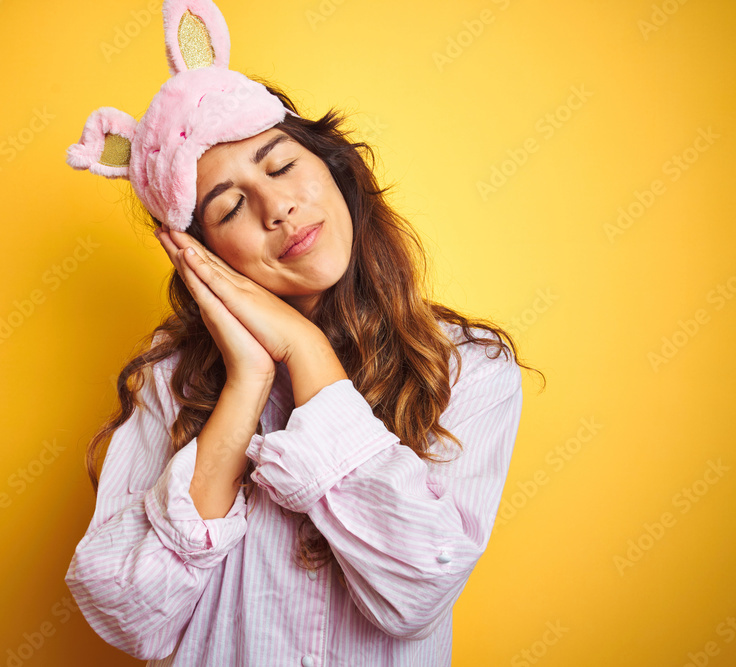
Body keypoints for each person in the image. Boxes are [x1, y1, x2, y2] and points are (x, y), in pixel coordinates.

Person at [63, 1, 543, 664]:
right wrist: (250, 380)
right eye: (229, 206)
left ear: (335, 168)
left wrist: (307, 350)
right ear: (202, 252)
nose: (277, 207)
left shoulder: (471, 369)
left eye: (281, 166)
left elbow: (417, 589)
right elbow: (130, 615)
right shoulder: (171, 378)